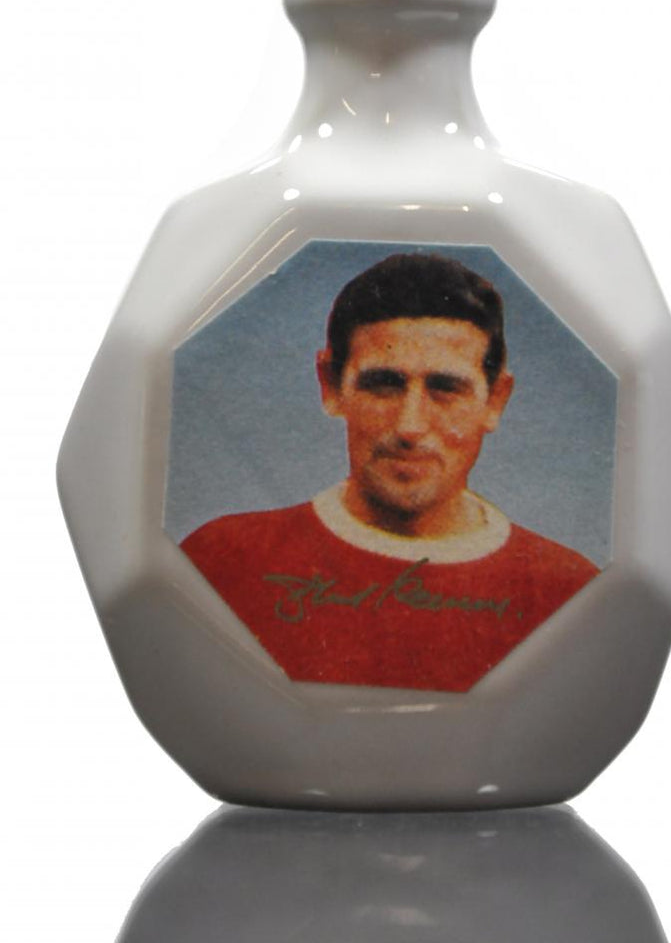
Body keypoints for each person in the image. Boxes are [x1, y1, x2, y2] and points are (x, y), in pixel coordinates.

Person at [181, 253, 599, 692]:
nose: (409, 427)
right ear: (330, 385)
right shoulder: (223, 561)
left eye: (445, 389)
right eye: (383, 385)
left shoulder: (569, 593)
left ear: (495, 400)